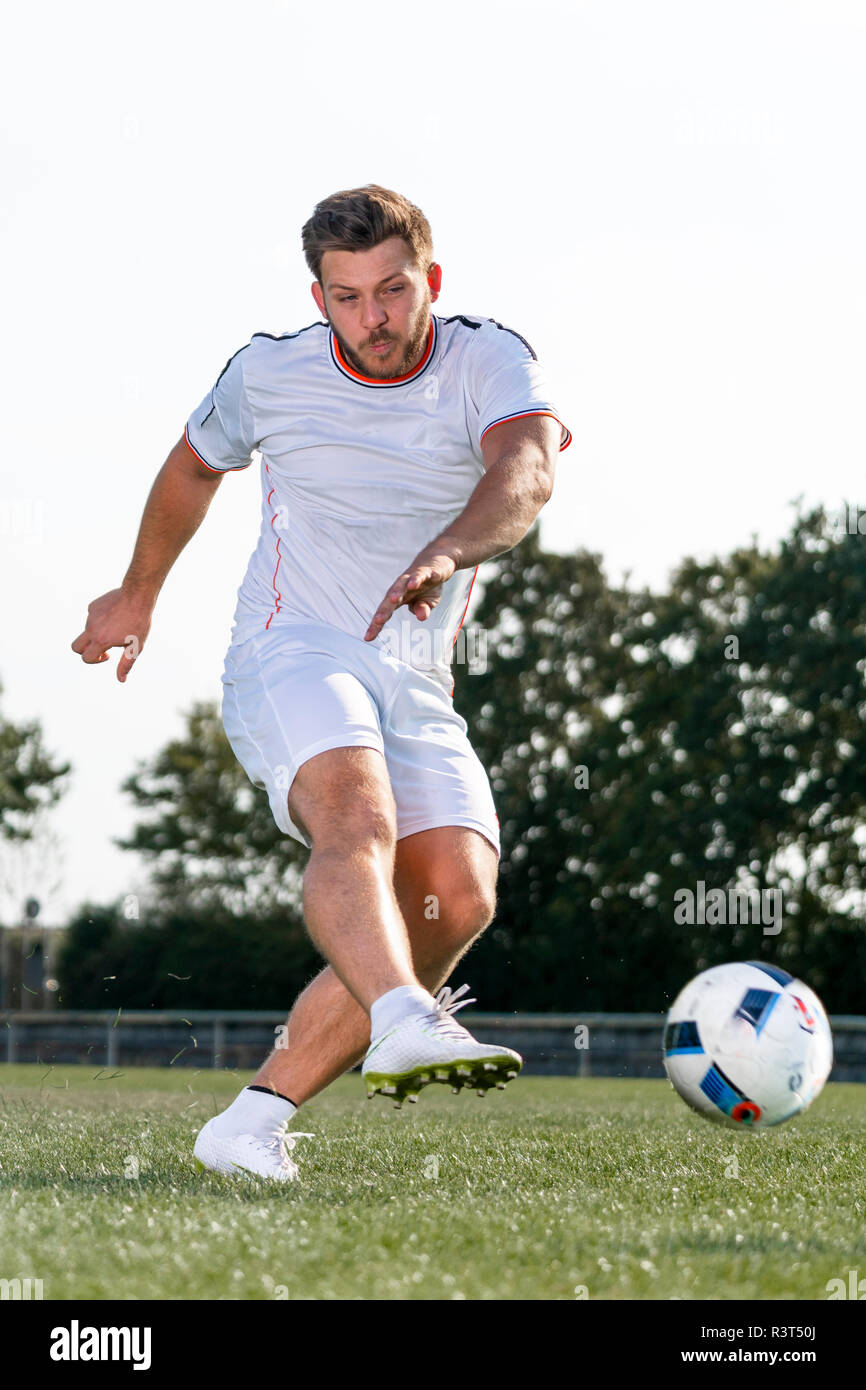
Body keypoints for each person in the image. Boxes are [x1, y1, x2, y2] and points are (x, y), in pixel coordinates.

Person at [72, 183, 572, 1183]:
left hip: (414, 675)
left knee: (455, 897)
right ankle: (401, 1017)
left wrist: (449, 547)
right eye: (346, 298)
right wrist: (137, 592)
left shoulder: (487, 358)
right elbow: (190, 467)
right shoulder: (270, 373)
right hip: (291, 645)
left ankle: (250, 1122)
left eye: (390, 291)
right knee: (356, 812)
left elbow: (525, 471)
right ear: (319, 297)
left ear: (429, 281)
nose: (371, 318)